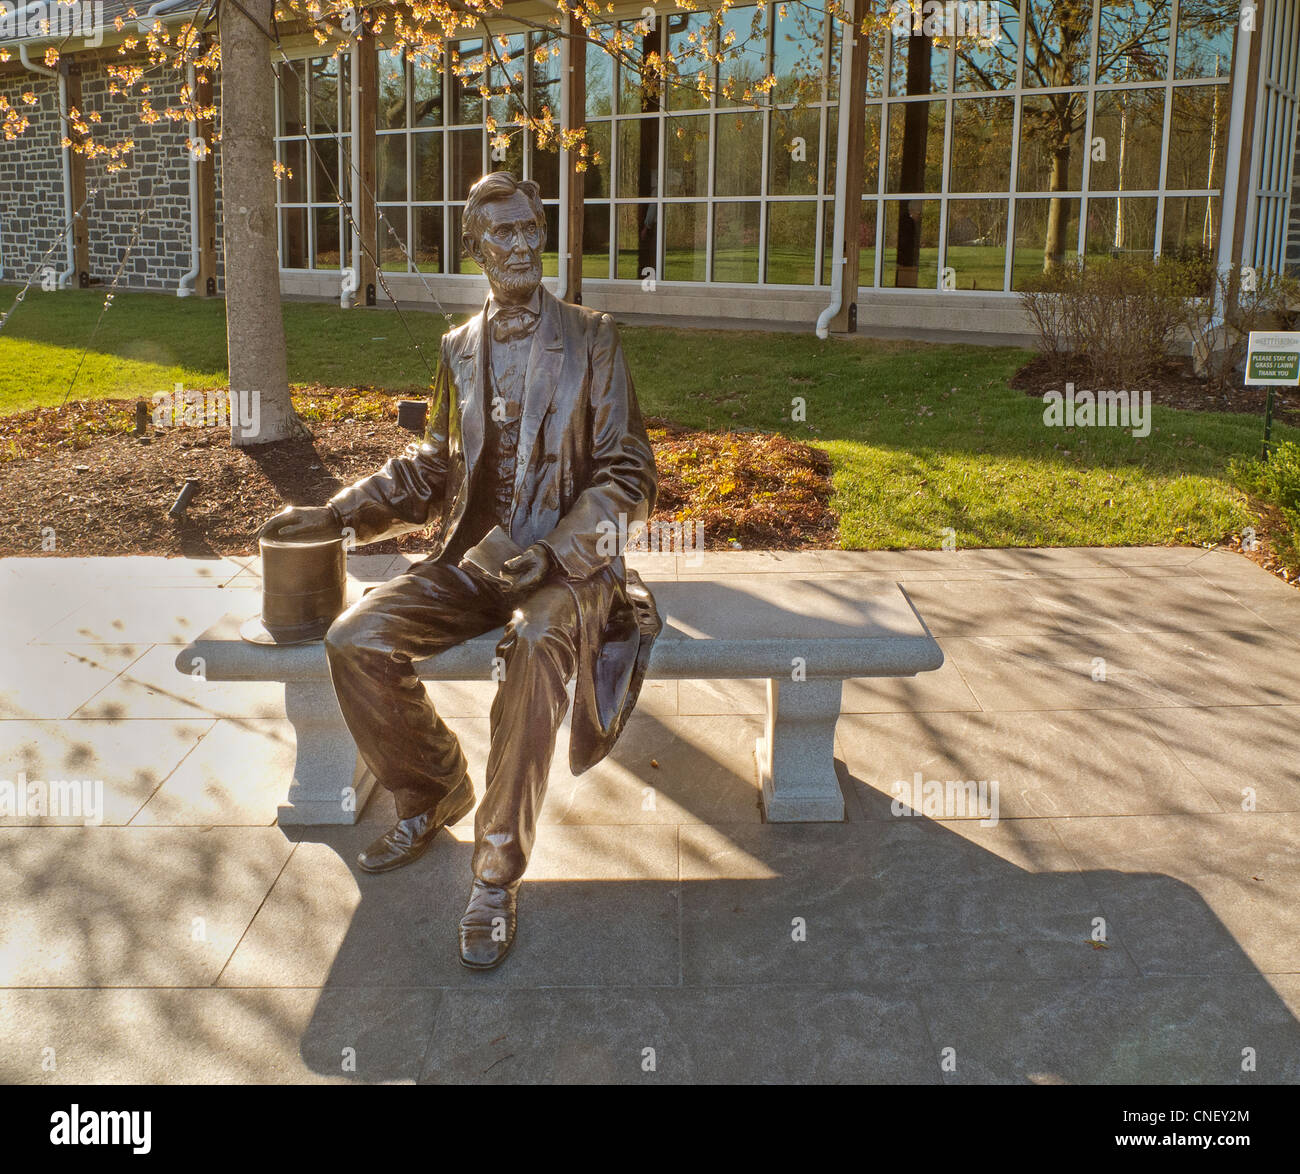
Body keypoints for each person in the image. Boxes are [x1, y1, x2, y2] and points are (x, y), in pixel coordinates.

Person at [259, 171, 659, 969]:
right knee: (355, 638)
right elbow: (430, 467)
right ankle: (434, 784)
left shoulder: (593, 337)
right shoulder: (459, 349)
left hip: (566, 568)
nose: (519, 245)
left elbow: (628, 473)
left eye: (530, 228)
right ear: (474, 247)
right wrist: (336, 513)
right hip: (474, 560)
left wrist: (555, 551)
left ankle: (495, 871)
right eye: (501, 233)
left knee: (537, 646)